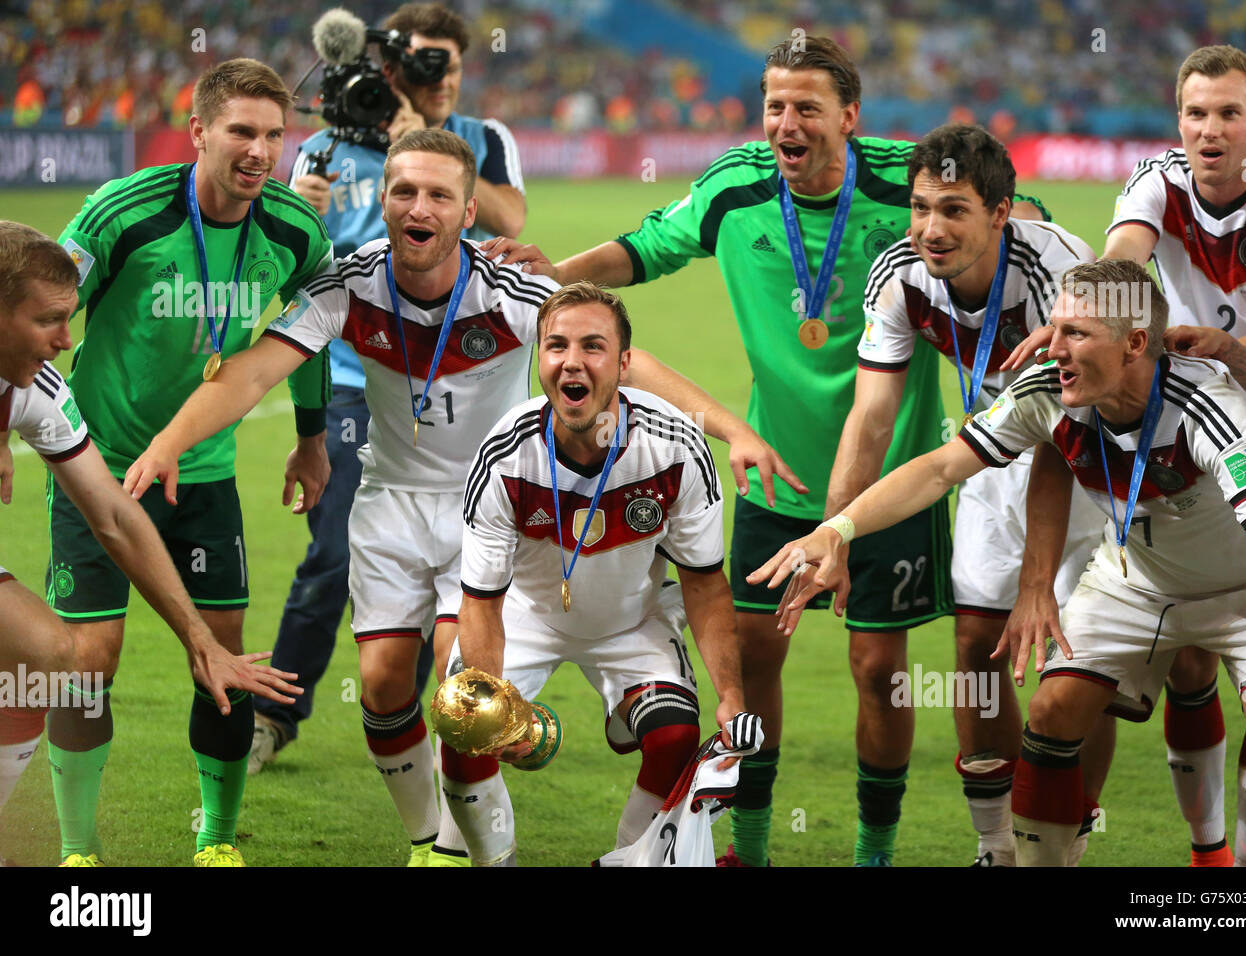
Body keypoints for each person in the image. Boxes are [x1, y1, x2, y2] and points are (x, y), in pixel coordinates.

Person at [124, 128, 785, 866]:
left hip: (492, 506)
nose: (420, 205)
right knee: (379, 687)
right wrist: (169, 441)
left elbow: (626, 362)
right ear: (382, 202)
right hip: (391, 502)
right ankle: (424, 838)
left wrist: (733, 432)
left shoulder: (509, 292)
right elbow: (251, 373)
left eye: (439, 193)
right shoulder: (348, 285)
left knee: (461, 695)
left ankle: (455, 846)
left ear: (467, 213)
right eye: (404, 190)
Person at [483, 35, 1050, 866]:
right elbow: (646, 249)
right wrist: (557, 275)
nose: (787, 123)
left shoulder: (908, 181)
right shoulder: (735, 186)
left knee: (877, 671)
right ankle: (743, 846)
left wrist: (1044, 253)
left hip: (890, 481)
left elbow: (1015, 211)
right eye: (775, 106)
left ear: (848, 118)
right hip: (770, 471)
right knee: (750, 666)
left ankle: (874, 854)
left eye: (807, 108)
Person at [751, 258, 1246, 867]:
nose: (1052, 348)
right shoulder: (1046, 390)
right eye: (1054, 328)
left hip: (1242, 589)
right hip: (1133, 583)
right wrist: (838, 529)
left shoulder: (1204, 403)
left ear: (1135, 343)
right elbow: (940, 468)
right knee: (1051, 710)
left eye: (1076, 333)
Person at [1006, 45, 1246, 866]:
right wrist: (1094, 319)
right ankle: (1209, 855)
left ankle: (1241, 863)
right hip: (1171, 433)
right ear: (1178, 122)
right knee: (1189, 667)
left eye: (1229, 113)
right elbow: (1127, 253)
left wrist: (1223, 352)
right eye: (1196, 113)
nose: (1210, 130)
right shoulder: (1155, 179)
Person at [49, 58, 334, 867]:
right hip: (96, 469)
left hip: (204, 475)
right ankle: (77, 849)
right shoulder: (123, 211)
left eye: (274, 135)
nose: (260, 151)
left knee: (226, 658)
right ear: (200, 130)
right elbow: (40, 305)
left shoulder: (292, 230)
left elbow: (311, 334)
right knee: (88, 662)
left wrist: (311, 438)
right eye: (242, 131)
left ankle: (215, 838)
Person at [254, 1, 529, 774]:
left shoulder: (483, 141)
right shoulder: (327, 144)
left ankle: (421, 716)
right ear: (391, 65)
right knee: (335, 553)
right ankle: (275, 714)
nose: (439, 78)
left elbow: (508, 216)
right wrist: (292, 210)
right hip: (353, 378)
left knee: (451, 572)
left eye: (452, 63)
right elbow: (297, 275)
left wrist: (416, 138)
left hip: (461, 387)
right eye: (423, 63)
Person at [0, 221, 299, 864]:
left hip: (192, 487)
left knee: (50, 652)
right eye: (47, 320)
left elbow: (112, 512)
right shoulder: (132, 215)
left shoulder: (42, 392)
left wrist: (198, 640)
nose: (66, 340)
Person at [848, 123, 1102, 865]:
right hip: (985, 458)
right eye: (921, 207)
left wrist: (1036, 582)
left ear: (1001, 212)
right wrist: (836, 533)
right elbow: (872, 414)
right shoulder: (899, 274)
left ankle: (1067, 847)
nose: (932, 227)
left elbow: (1066, 439)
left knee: (1076, 670)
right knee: (976, 646)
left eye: (954, 209)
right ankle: (995, 849)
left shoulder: (1064, 272)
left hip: (1088, 468)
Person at [443, 281, 750, 865]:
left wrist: (731, 696)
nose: (572, 362)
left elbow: (705, 587)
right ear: (539, 357)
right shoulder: (503, 456)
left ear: (625, 363)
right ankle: (493, 859)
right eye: (556, 346)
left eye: (593, 346)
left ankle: (628, 858)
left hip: (630, 620)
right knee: (462, 727)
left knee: (675, 737)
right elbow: (481, 602)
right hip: (524, 617)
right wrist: (493, 711)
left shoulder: (677, 448)